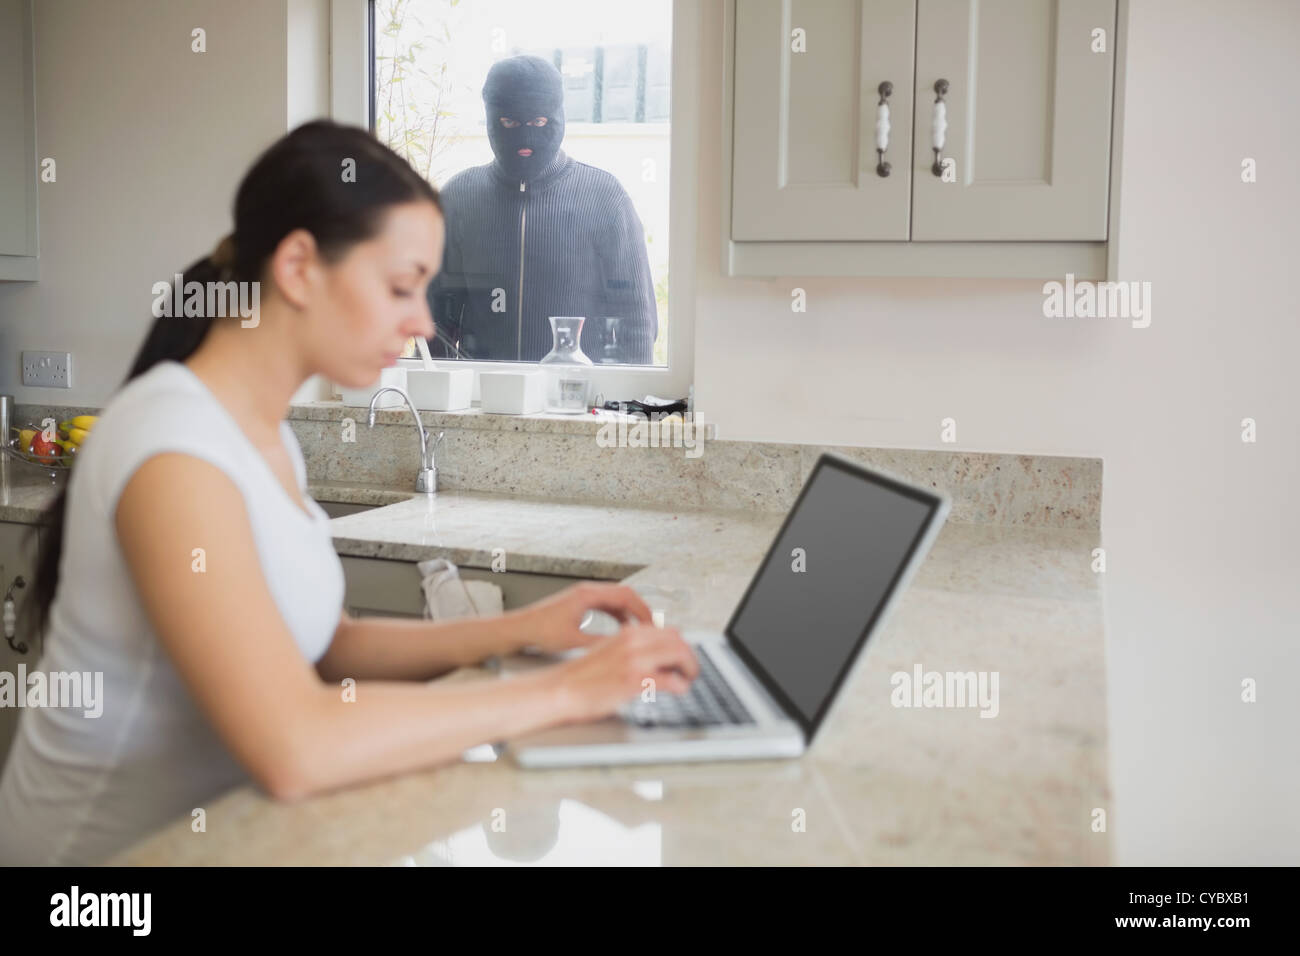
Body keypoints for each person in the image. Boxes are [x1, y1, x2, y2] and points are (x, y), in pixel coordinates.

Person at [0, 120, 696, 866]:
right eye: (402, 286)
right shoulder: (173, 450)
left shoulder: (264, 435)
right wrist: (566, 695)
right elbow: (295, 746)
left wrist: (525, 629)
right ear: (299, 267)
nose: (424, 320)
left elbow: (331, 646)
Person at [428, 55, 659, 363]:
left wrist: (624, 399)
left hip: (575, 399)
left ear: (558, 117)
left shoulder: (605, 197)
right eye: (509, 123)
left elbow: (636, 319)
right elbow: (434, 316)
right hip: (479, 397)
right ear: (491, 120)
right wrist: (443, 394)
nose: (525, 137)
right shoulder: (458, 198)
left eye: (538, 122)